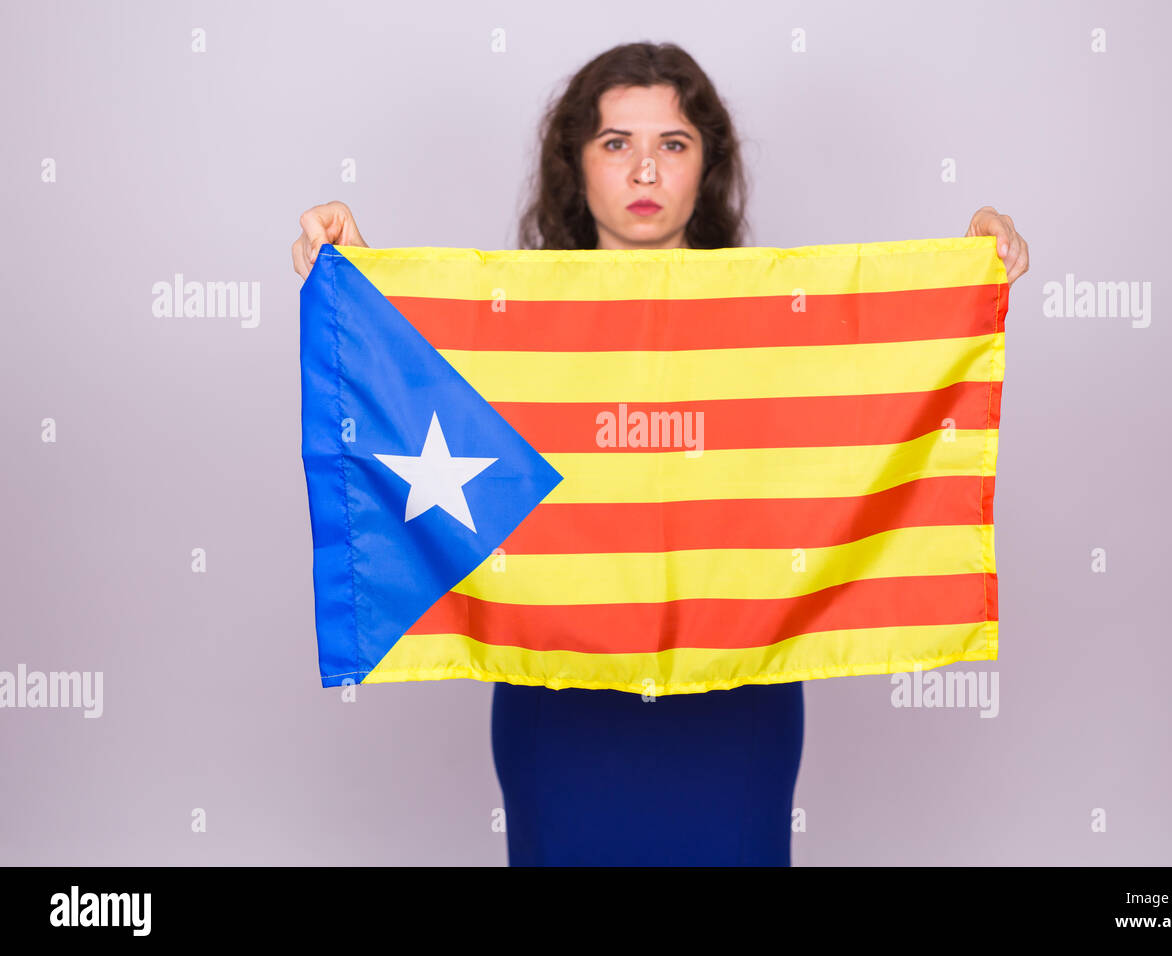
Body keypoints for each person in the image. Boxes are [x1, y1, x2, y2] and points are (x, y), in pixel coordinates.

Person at [292, 42, 1029, 866]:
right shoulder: (514, 329)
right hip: (561, 700)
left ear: (705, 165)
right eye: (616, 143)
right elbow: (418, 406)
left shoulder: (776, 323)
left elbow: (880, 389)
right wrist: (349, 278)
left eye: (671, 145)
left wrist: (969, 274)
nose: (645, 170)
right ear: (577, 165)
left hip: (738, 697)